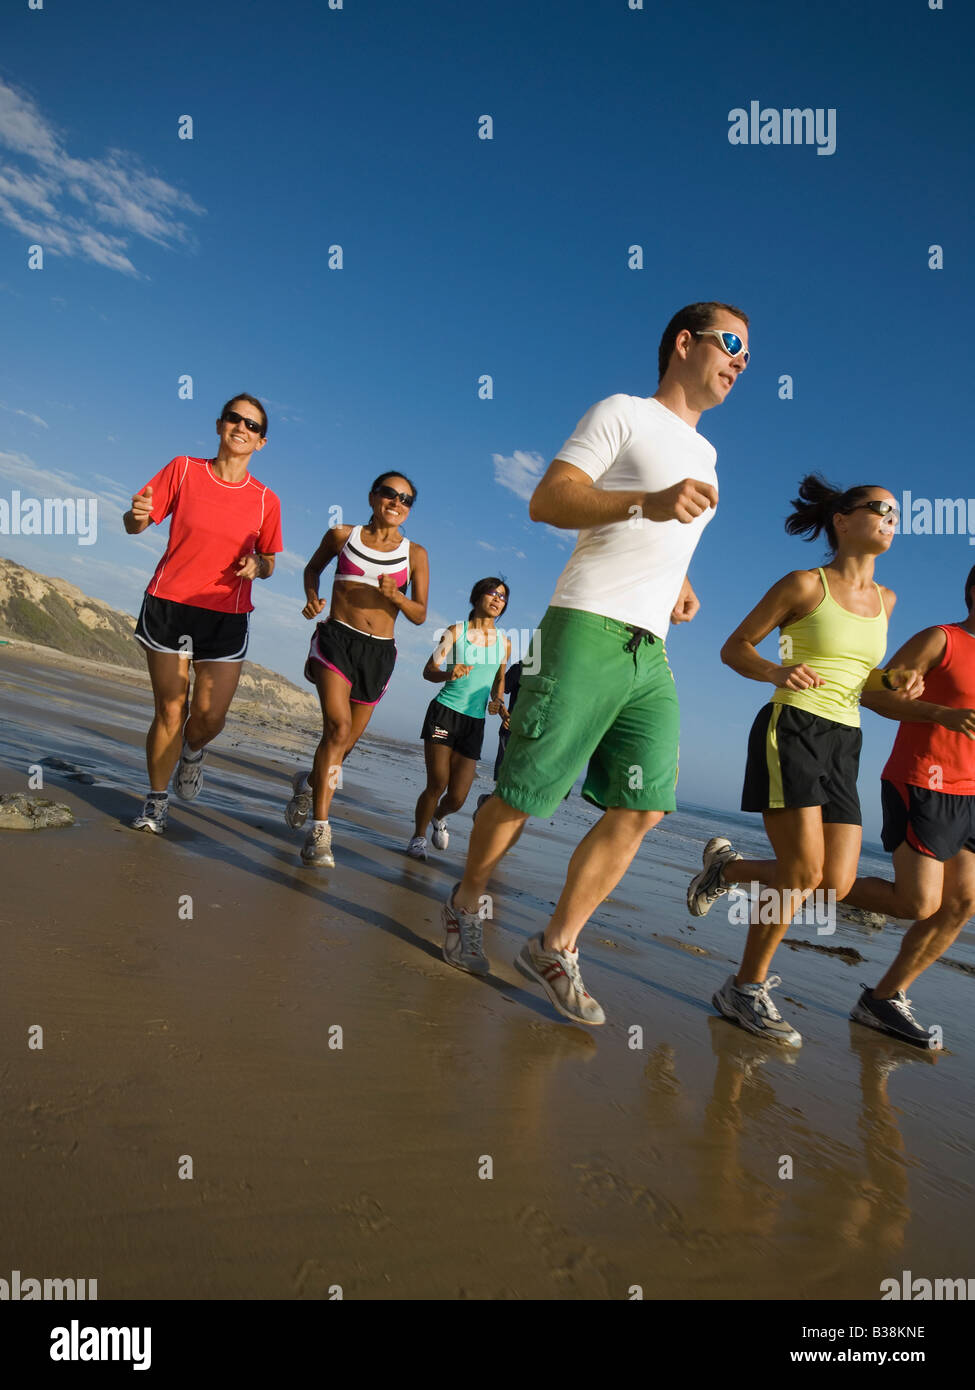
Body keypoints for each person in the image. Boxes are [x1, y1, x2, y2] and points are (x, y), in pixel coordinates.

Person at [441, 301, 749, 1015]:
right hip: (584, 625)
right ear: (683, 343)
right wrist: (647, 500)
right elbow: (548, 500)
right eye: (730, 343)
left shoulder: (707, 457)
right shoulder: (622, 412)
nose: (739, 361)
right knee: (523, 790)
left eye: (746, 355)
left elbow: (661, 534)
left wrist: (681, 582)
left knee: (644, 806)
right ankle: (466, 901)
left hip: (652, 651)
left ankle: (555, 943)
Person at [687, 475, 922, 1047]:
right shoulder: (803, 584)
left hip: (846, 740)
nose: (891, 518)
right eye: (879, 509)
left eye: (897, 512)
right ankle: (744, 989)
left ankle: (731, 870)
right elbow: (735, 646)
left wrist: (898, 680)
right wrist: (775, 670)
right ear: (842, 521)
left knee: (834, 882)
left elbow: (866, 683)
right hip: (791, 725)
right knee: (800, 872)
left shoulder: (886, 600)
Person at [124, 394, 282, 833]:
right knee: (171, 708)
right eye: (235, 419)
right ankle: (156, 804)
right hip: (170, 605)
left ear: (261, 443)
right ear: (219, 425)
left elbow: (270, 561)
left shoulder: (267, 500)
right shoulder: (183, 469)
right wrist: (135, 516)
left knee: (209, 718)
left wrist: (258, 566)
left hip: (226, 617)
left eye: (252, 426)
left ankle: (192, 754)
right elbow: (136, 521)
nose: (241, 428)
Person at [838, 566, 975, 1047]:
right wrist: (938, 712)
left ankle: (883, 998)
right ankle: (798, 878)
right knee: (917, 902)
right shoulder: (943, 639)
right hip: (923, 779)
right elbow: (875, 692)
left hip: (971, 792)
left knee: (962, 902)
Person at [285, 473, 429, 867]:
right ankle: (320, 832)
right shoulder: (341, 536)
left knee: (343, 747)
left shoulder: (415, 554)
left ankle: (310, 783)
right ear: (372, 496)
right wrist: (313, 598)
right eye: (390, 494)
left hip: (379, 654)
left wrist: (396, 596)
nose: (397, 502)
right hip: (336, 639)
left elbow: (419, 614)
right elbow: (312, 570)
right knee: (338, 728)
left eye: (406, 499)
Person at [407, 577, 511, 861]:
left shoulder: (504, 643)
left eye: (502, 597)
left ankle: (438, 817)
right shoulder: (456, 632)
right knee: (437, 783)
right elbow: (429, 670)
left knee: (458, 797)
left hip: (473, 722)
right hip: (445, 712)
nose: (497, 599)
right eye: (492, 593)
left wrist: (499, 703)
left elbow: (499, 678)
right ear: (477, 597)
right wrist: (447, 674)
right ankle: (417, 839)